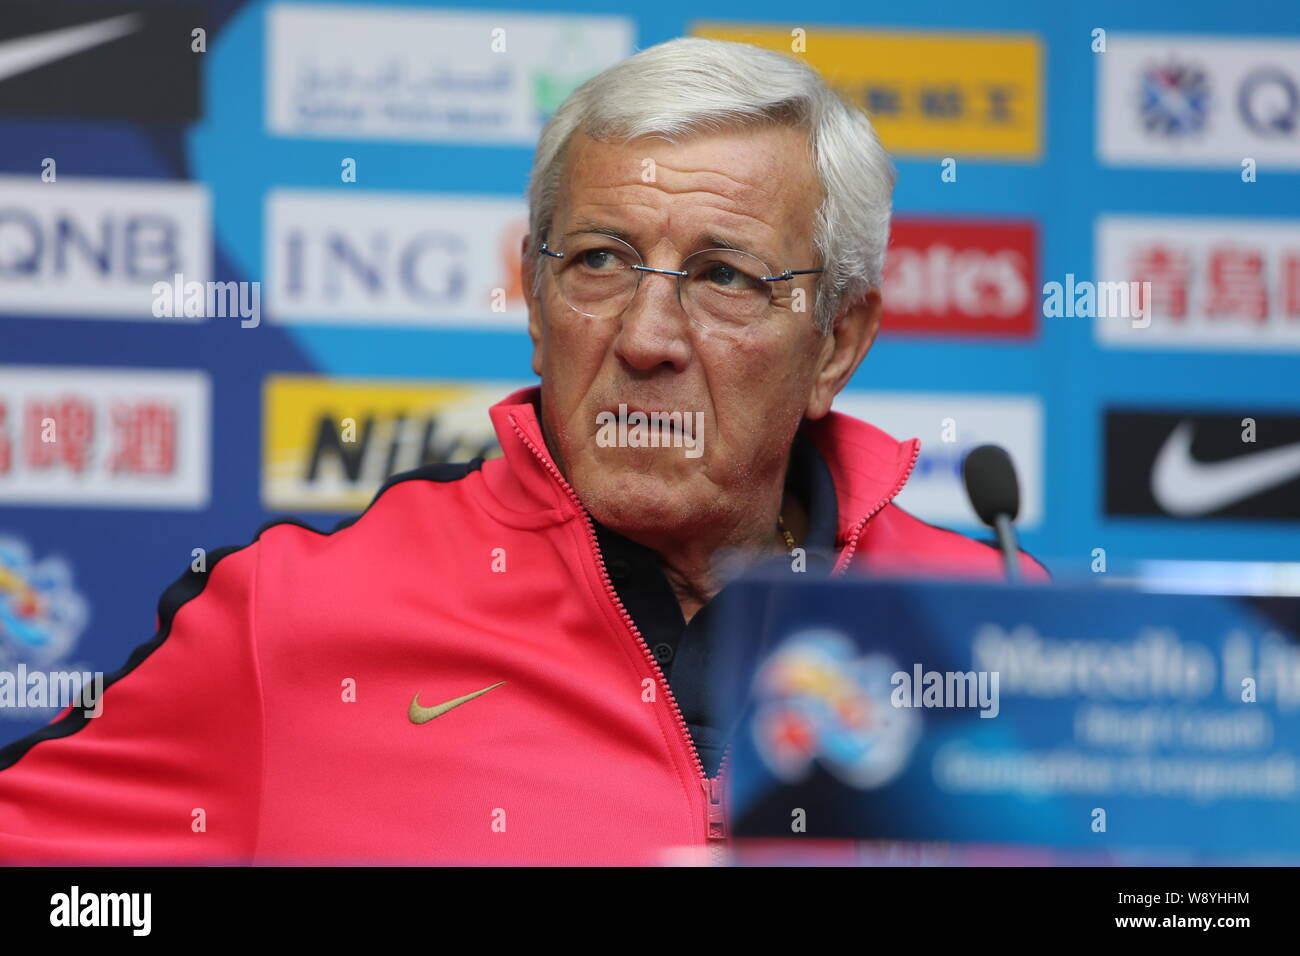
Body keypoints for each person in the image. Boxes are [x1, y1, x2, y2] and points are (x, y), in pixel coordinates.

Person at [0, 36, 1046, 866]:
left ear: (838, 342)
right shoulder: (295, 611)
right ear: (538, 307)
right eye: (598, 260)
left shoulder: (1012, 625)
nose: (645, 337)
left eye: (726, 277)